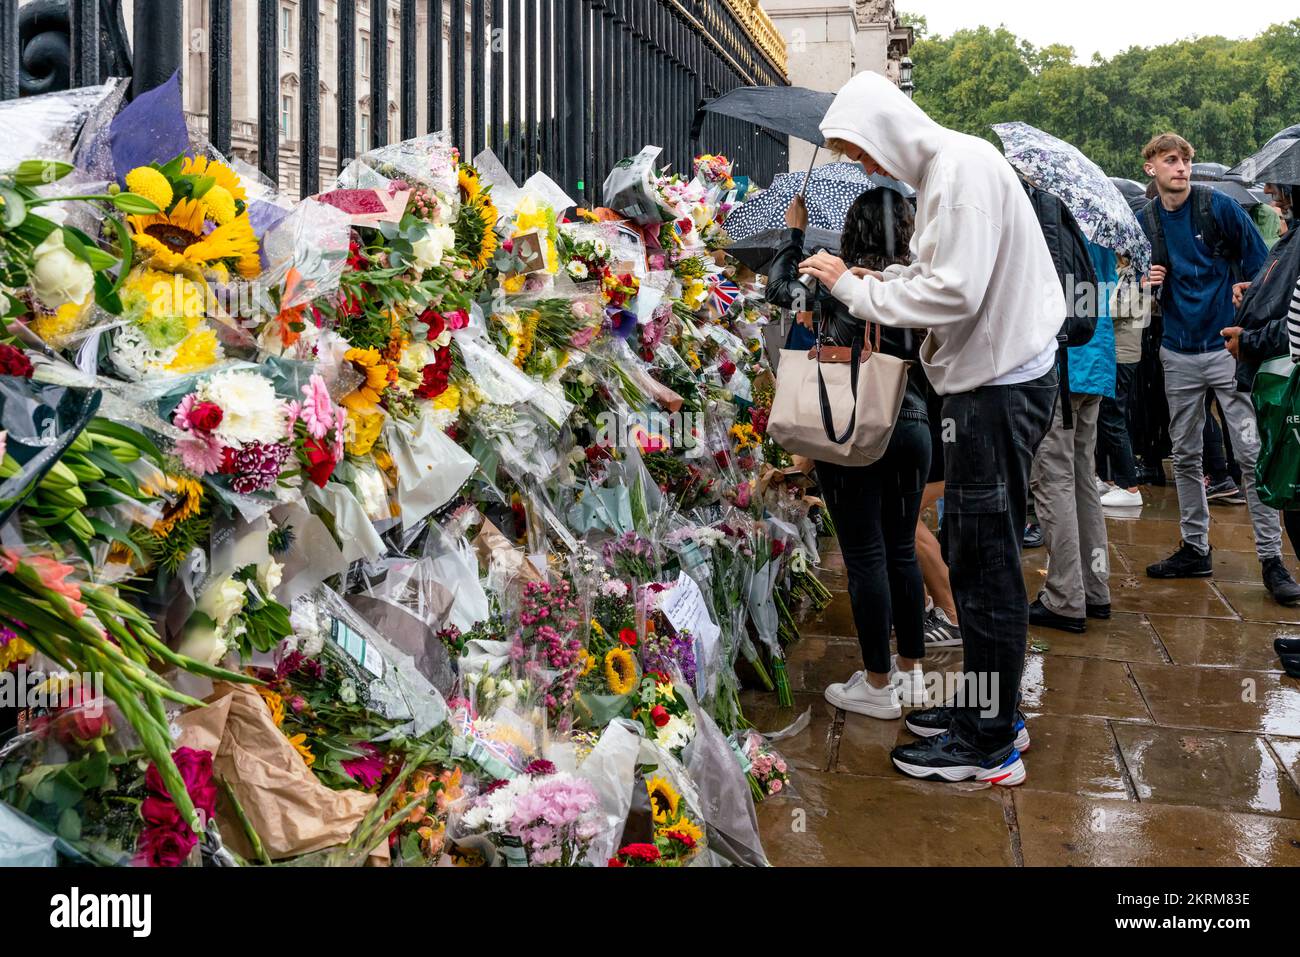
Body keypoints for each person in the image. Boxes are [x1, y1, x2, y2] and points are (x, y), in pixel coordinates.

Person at [798, 71, 1062, 787]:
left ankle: (989, 741)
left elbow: (954, 291)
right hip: (991, 382)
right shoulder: (953, 169)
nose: (866, 168)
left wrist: (853, 289)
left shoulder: (960, 170)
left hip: (996, 387)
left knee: (984, 560)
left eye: (862, 151)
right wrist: (876, 281)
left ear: (885, 129)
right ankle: (988, 710)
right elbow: (939, 275)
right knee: (975, 554)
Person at [766, 186, 932, 720]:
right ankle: (911, 673)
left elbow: (780, 291)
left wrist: (794, 233)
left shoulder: (837, 281)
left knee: (865, 555)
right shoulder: (916, 283)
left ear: (851, 231)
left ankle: (877, 685)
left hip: (853, 428)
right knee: (901, 548)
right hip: (914, 426)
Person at [1138, 133, 1300, 605]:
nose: (1181, 168)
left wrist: (1246, 294)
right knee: (1186, 456)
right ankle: (1195, 547)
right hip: (1176, 350)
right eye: (1171, 160)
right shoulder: (1146, 220)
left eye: (1185, 160)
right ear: (1151, 168)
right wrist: (1147, 281)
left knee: (1250, 455)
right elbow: (1132, 284)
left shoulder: (1218, 208)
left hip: (1227, 348)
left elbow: (1266, 269)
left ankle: (1272, 559)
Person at [1029, 240, 1117, 633]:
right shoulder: (1100, 231)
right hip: (1095, 360)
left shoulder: (1050, 225)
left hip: (1060, 365)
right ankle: (1094, 587)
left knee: (1054, 481)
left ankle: (1065, 595)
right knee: (1083, 480)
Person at [1095, 254, 1146, 507]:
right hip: (1112, 352)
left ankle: (1129, 485)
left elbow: (1117, 309)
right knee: (1104, 414)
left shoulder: (1133, 275)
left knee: (1113, 416)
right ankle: (1108, 478)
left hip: (1122, 355)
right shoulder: (1120, 273)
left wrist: (1089, 302)